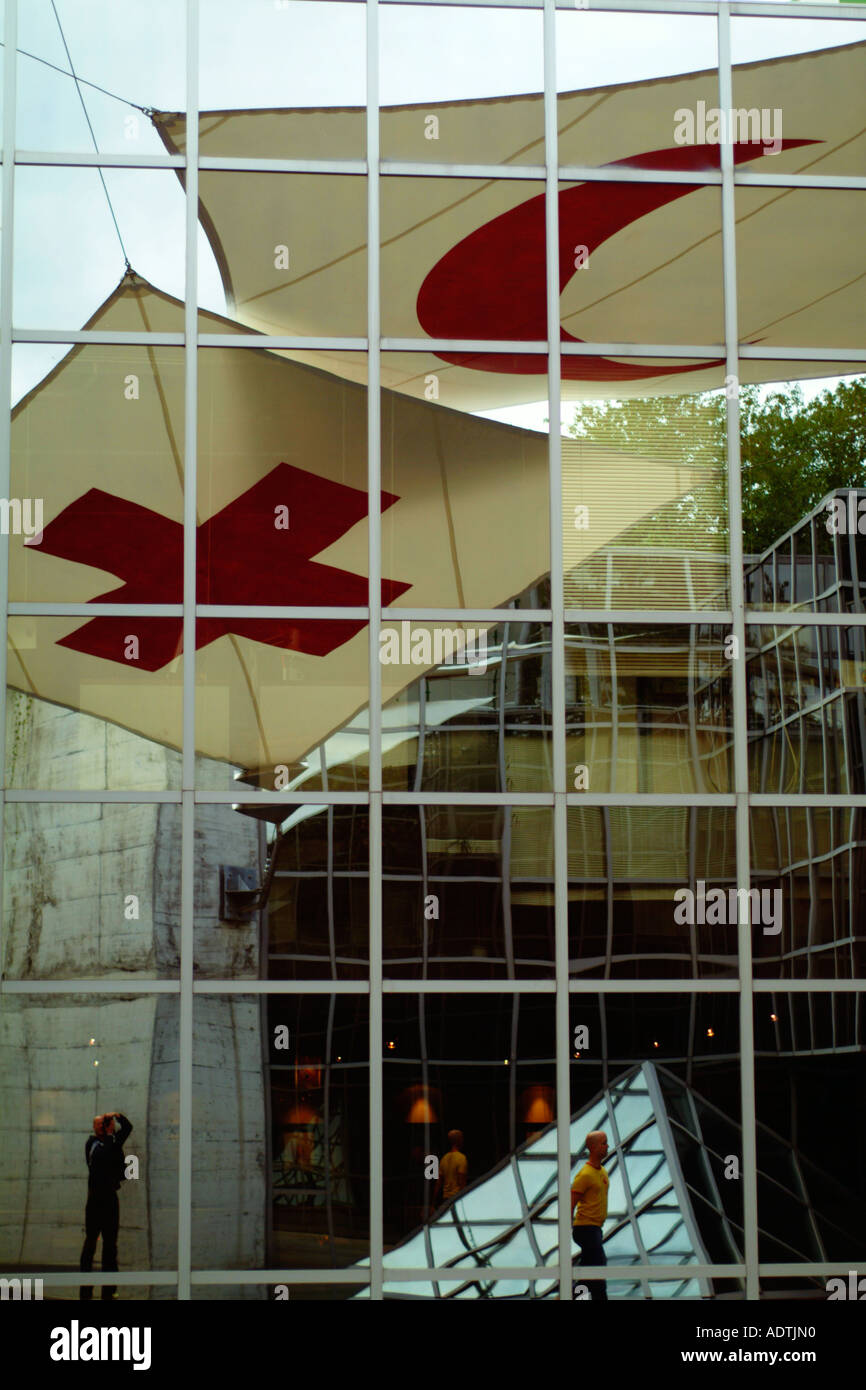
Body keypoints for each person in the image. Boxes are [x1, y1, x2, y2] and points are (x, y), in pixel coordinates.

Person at [79, 1111, 132, 1301]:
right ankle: (85, 1289)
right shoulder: (92, 1144)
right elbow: (102, 1155)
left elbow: (128, 1128)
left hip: (109, 1199)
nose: (103, 1126)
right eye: (101, 1123)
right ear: (94, 1127)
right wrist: (111, 1135)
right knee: (90, 1243)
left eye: (105, 1122)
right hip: (95, 1201)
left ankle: (109, 1290)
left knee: (110, 1246)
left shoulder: (112, 1140)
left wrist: (118, 1116)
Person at [571, 1130, 609, 1301]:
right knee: (598, 1266)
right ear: (593, 1148)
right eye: (604, 1143)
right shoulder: (585, 1175)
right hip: (585, 1228)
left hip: (595, 1228)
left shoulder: (602, 1172)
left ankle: (576, 1297)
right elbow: (571, 1203)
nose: (607, 1146)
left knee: (589, 1270)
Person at [434, 1129, 468, 1208]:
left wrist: (434, 1201)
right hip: (456, 1198)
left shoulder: (444, 1158)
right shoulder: (461, 1158)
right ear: (459, 1141)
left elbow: (439, 1182)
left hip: (445, 1199)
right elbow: (461, 1182)